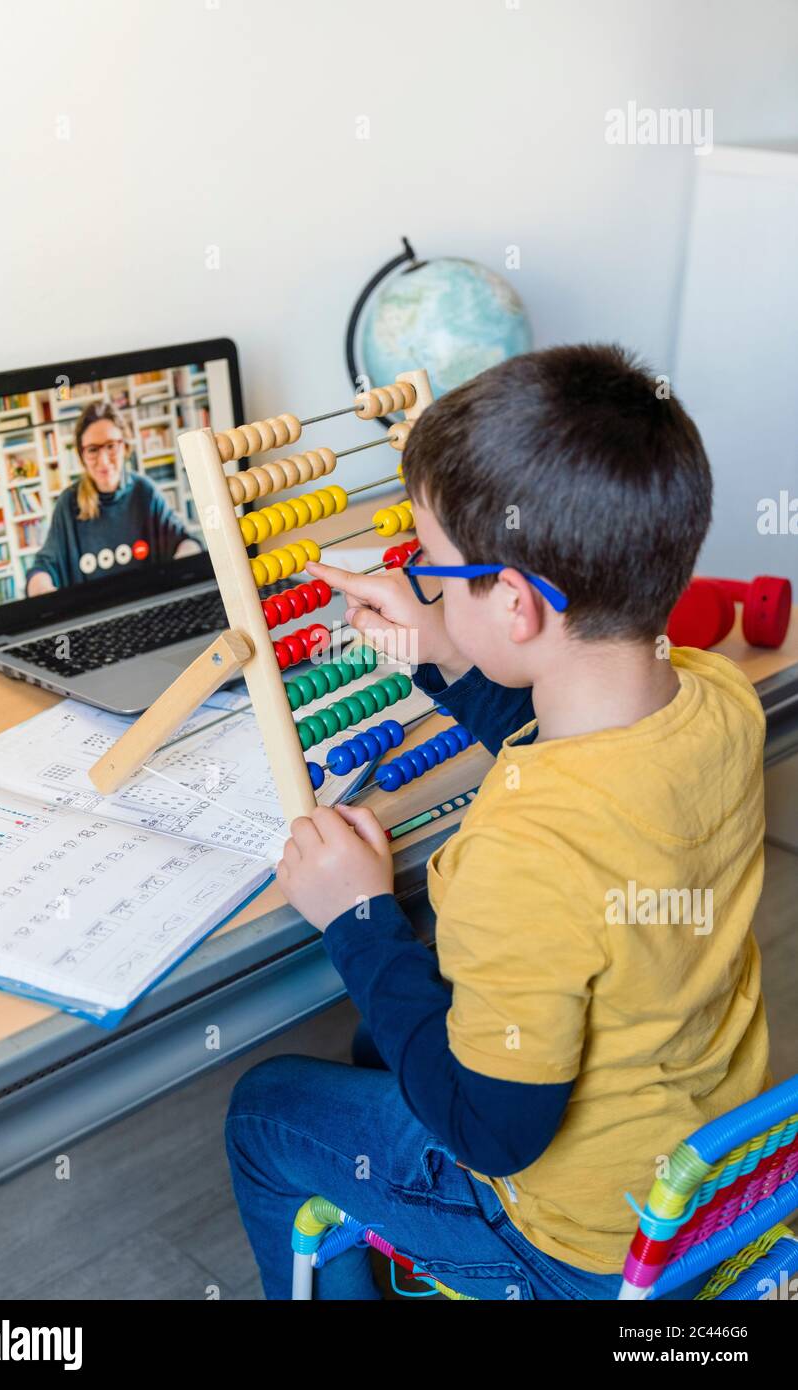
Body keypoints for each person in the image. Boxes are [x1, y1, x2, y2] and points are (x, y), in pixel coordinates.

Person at [224, 344, 769, 1301]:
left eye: (433, 566)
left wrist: (356, 917)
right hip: (709, 1179)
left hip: (569, 1236)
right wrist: (438, 647)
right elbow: (562, 725)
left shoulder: (525, 851)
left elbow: (493, 1133)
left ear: (513, 603)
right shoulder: (718, 698)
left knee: (265, 1113)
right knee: (380, 1045)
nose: (423, 580)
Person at [25, 402, 201, 596]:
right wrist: (41, 589)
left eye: (111, 446)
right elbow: (44, 566)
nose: (104, 461)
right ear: (82, 455)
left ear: (124, 447)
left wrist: (187, 557)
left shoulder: (144, 491)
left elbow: (184, 541)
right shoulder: (68, 503)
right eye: (93, 449)